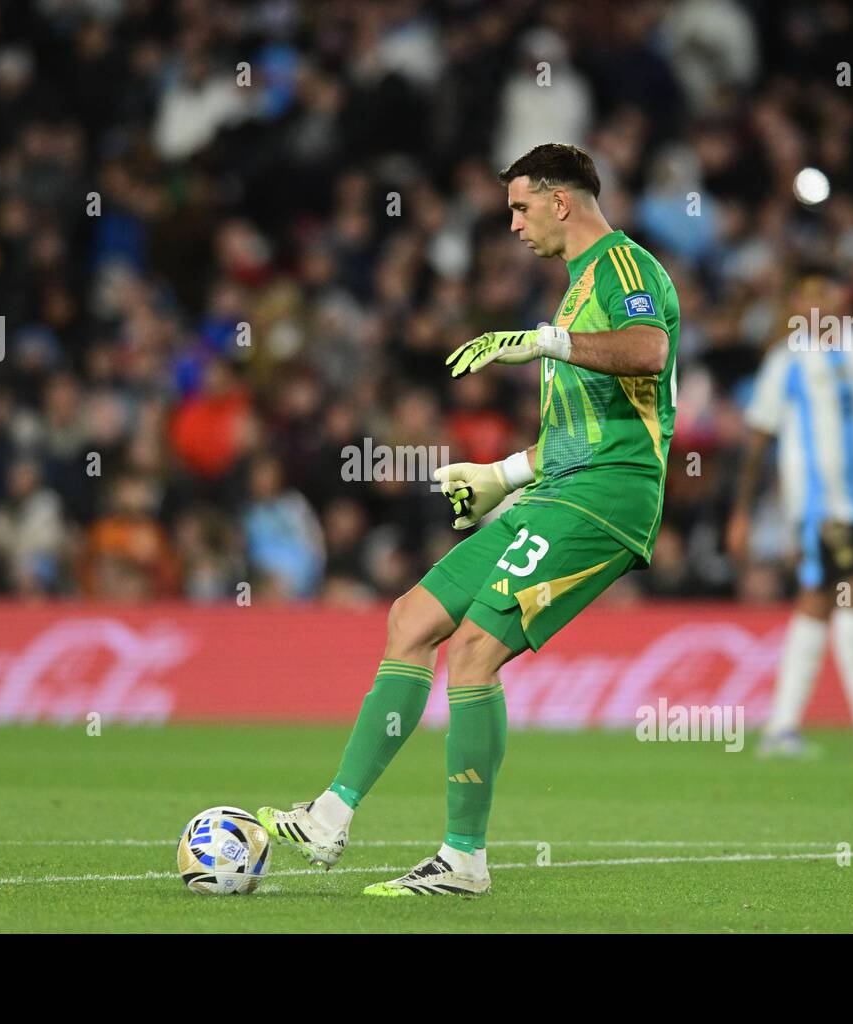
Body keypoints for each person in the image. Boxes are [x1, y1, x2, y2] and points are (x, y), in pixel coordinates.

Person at [258, 143, 680, 896]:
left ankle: (463, 860)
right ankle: (330, 814)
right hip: (560, 488)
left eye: (520, 206)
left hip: (608, 498)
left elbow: (649, 351)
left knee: (475, 649)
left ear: (561, 200)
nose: (512, 223)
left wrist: (548, 342)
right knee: (413, 617)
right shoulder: (578, 287)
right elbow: (575, 434)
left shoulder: (624, 269)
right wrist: (500, 476)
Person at [726, 275, 853, 757]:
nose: (819, 303)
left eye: (827, 293)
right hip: (816, 504)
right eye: (808, 295)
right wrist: (741, 512)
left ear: (842, 299)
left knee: (818, 601)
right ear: (797, 303)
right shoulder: (786, 361)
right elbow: (757, 442)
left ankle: (782, 728)